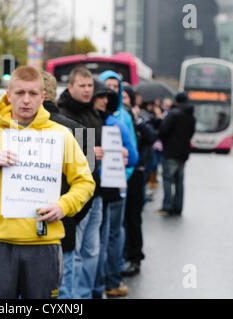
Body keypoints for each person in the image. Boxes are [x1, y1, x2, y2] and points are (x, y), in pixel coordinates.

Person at [0, 66, 95, 299]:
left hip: (44, 242)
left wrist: (64, 206)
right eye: (20, 93)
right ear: (8, 95)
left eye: (32, 93)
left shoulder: (61, 135)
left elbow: (85, 182)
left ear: (43, 97)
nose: (26, 100)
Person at [40, 71, 91, 299]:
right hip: (64, 229)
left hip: (17, 234)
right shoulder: (80, 130)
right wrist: (70, 217)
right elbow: (91, 183)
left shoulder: (11, 130)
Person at [57, 66, 102, 299]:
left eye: (90, 86)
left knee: (92, 250)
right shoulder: (67, 116)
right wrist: (92, 155)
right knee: (74, 253)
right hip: (76, 196)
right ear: (70, 87)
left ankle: (84, 296)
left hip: (96, 191)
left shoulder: (92, 113)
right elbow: (82, 162)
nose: (87, 90)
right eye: (82, 85)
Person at [91, 80, 138, 299]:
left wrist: (123, 169)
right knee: (105, 239)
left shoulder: (115, 123)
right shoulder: (113, 123)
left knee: (103, 240)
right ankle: (106, 283)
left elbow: (132, 156)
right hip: (105, 188)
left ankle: (104, 283)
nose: (104, 100)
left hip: (110, 187)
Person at [121, 87, 158, 277]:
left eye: (125, 97)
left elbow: (152, 137)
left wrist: (139, 123)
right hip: (116, 176)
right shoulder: (113, 116)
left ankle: (134, 257)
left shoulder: (137, 117)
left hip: (136, 173)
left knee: (133, 218)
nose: (122, 99)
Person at [157, 92, 196, 216]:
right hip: (183, 153)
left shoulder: (173, 114)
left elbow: (163, 130)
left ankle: (167, 206)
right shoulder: (191, 116)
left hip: (170, 152)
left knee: (168, 179)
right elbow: (191, 133)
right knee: (179, 181)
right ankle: (178, 207)